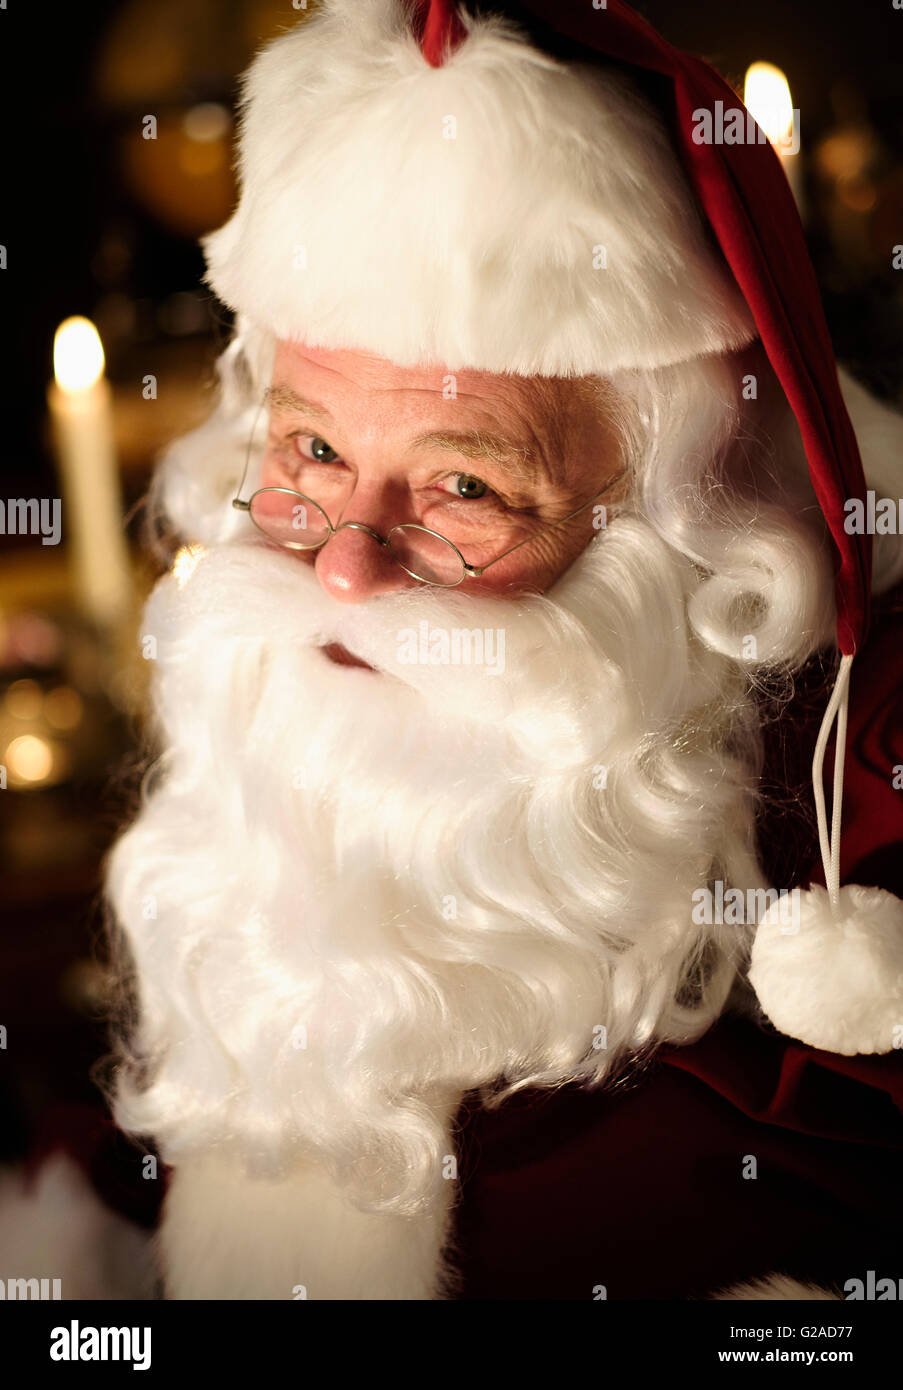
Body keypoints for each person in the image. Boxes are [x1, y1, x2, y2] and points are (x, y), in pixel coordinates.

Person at [99, 0, 903, 1299]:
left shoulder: (849, 884)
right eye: (312, 450)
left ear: (675, 525)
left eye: (466, 488)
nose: (347, 566)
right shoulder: (244, 788)